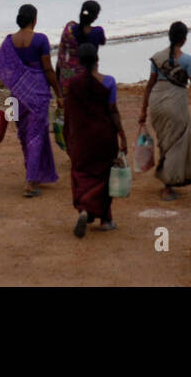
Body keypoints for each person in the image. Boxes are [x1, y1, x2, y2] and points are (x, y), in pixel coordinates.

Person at [0, 4, 62, 197]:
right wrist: (59, 94)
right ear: (34, 20)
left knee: (24, 136)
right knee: (36, 137)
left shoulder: (9, 42)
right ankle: (30, 182)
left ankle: (34, 174)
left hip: (15, 99)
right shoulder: (41, 40)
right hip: (38, 96)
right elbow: (48, 70)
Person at [138, 21, 191, 202]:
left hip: (156, 103)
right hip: (175, 103)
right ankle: (168, 186)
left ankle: (169, 178)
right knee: (176, 143)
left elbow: (150, 84)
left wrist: (143, 110)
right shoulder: (187, 60)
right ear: (184, 39)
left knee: (165, 142)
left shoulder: (157, 57)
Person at [64, 42, 128, 237]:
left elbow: (69, 114)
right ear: (97, 59)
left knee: (81, 174)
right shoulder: (108, 82)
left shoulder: (73, 84)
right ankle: (106, 220)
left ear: (80, 62)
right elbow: (113, 111)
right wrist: (122, 136)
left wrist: (69, 137)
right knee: (105, 176)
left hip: (82, 138)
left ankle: (84, 209)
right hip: (104, 137)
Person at [56, 0, 107, 97]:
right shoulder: (98, 31)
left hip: (68, 75)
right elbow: (103, 41)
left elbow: (61, 54)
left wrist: (58, 77)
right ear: (95, 17)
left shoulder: (69, 29)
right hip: (89, 74)